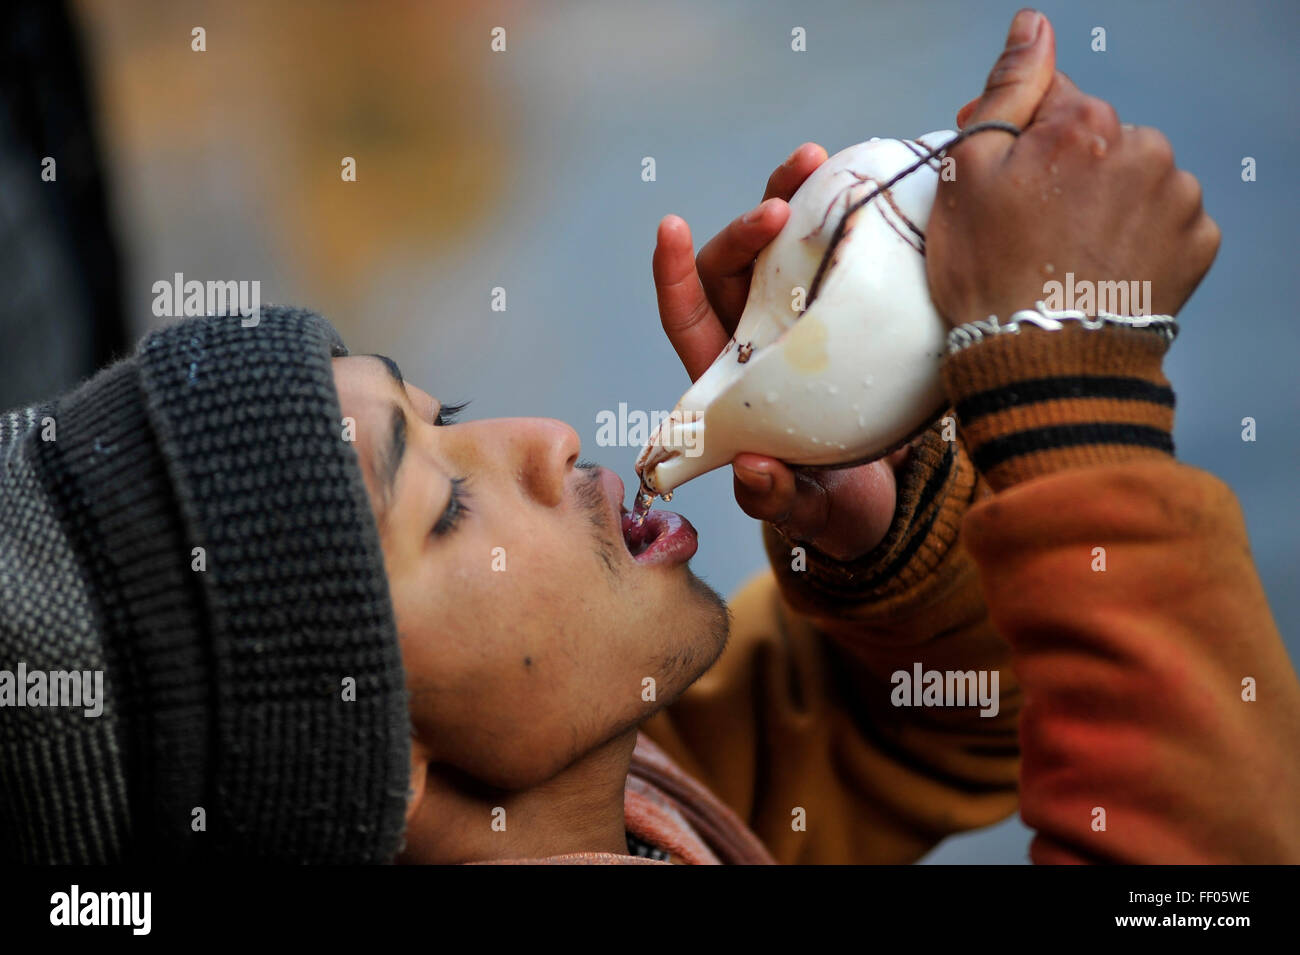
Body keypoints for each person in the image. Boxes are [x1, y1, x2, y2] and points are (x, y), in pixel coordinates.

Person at [2, 9, 1295, 864]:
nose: (546, 437)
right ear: (372, 761)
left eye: (443, 419)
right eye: (445, 502)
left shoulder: (611, 800)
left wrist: (890, 548)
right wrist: (1076, 404)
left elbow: (935, 734)